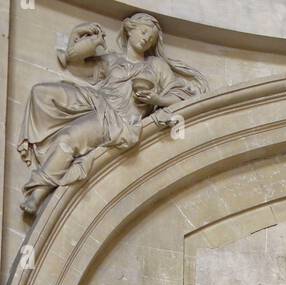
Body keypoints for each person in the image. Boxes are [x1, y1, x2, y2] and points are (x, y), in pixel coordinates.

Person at [18, 13, 208, 218]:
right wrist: (82, 35)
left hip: (118, 118)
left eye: (151, 38)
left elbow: (179, 98)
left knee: (68, 139)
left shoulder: (156, 65)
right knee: (41, 92)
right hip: (96, 100)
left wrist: (156, 100)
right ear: (129, 29)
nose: (146, 39)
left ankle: (37, 195)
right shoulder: (111, 59)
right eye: (143, 32)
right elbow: (73, 63)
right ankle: (42, 148)